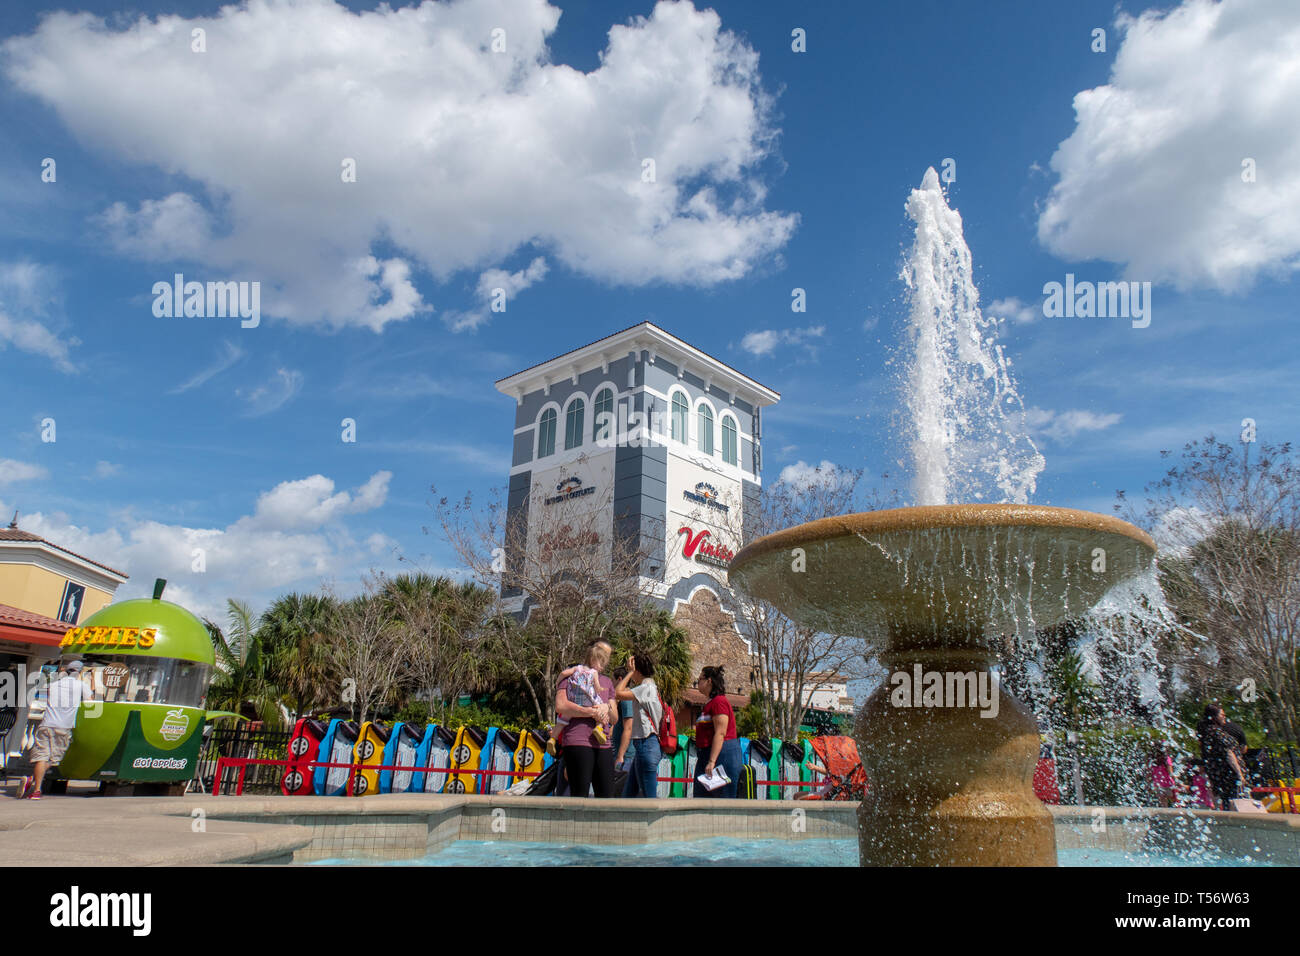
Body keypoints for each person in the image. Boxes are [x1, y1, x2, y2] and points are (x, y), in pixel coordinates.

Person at [21, 660, 95, 800]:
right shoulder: (81, 685)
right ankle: (32, 779)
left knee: (41, 757)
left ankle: (36, 790)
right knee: (54, 759)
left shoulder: (53, 685)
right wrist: (90, 681)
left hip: (46, 724)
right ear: (79, 672)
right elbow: (90, 703)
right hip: (64, 727)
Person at [555, 641, 616, 798]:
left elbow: (614, 718)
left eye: (608, 655)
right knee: (579, 794)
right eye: (603, 652)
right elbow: (561, 706)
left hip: (603, 744)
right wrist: (590, 712)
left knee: (607, 796)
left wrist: (606, 707)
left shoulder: (607, 682)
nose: (606, 657)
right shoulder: (571, 676)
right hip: (578, 740)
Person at [614, 649, 661, 799]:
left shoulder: (645, 689)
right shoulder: (651, 688)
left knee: (649, 798)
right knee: (628, 794)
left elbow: (618, 692)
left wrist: (629, 672)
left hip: (646, 744)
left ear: (637, 670)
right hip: (645, 745)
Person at [692, 666, 741, 798]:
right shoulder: (710, 703)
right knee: (701, 798)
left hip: (722, 756)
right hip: (706, 755)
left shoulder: (719, 702)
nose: (698, 683)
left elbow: (720, 732)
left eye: (700, 679)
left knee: (721, 800)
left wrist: (712, 761)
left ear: (709, 681)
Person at [547, 661, 609, 756]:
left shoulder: (577, 668)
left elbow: (563, 673)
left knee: (561, 721)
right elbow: (597, 686)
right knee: (600, 710)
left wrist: (557, 682)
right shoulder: (594, 672)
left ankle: (552, 739)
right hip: (587, 700)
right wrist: (599, 690)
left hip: (573, 700)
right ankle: (598, 728)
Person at [1197, 703, 1246, 808]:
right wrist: (1239, 773)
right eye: (1222, 715)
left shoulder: (1206, 733)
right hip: (1229, 776)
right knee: (1238, 803)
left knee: (1226, 804)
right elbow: (1228, 753)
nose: (1224, 717)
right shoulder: (1217, 733)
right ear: (1214, 717)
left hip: (1218, 777)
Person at [609, 665, 639, 794]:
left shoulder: (627, 700)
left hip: (626, 756)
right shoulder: (621, 701)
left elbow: (628, 727)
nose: (611, 684)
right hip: (620, 754)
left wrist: (620, 756)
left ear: (620, 679)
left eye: (613, 681)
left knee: (621, 792)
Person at [1148, 743, 1185, 808]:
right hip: (1168, 785)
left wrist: (1149, 784)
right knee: (1176, 803)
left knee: (1164, 804)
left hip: (1159, 785)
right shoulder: (1166, 759)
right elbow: (1171, 773)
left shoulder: (1152, 760)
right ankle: (1178, 815)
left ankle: (1165, 817)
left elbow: (1149, 775)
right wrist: (1178, 778)